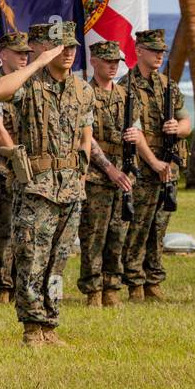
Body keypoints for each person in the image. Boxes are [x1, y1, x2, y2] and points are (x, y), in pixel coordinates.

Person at [0, 21, 93, 347]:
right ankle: (32, 328)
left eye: (72, 46)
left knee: (58, 264)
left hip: (70, 186)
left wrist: (83, 176)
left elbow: (85, 135)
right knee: (32, 257)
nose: (68, 52)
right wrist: (38, 63)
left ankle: (51, 323)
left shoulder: (82, 89)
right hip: (37, 186)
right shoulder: (29, 84)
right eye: (60, 46)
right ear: (40, 48)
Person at [120, 29, 191, 303]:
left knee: (159, 226)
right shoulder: (127, 86)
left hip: (168, 167)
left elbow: (187, 122)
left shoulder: (168, 86)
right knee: (137, 227)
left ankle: (153, 281)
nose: (159, 55)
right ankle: (135, 282)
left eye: (162, 51)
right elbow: (133, 131)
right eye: (154, 50)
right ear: (139, 51)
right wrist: (154, 162)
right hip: (143, 167)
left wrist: (179, 128)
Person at [78, 40, 134, 307]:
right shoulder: (84, 93)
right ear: (94, 61)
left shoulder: (124, 95)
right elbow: (86, 138)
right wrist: (109, 168)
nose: (113, 66)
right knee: (94, 235)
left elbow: (136, 130)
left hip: (123, 174)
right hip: (96, 176)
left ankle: (112, 287)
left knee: (118, 234)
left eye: (116, 62)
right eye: (108, 61)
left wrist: (137, 137)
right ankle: (93, 290)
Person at [0, 30, 30, 303]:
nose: (23, 57)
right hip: (4, 170)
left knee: (27, 232)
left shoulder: (32, 86)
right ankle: (2, 289)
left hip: (32, 171)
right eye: (18, 52)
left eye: (26, 53)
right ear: (3, 55)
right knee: (5, 230)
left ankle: (22, 285)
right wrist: (18, 160)